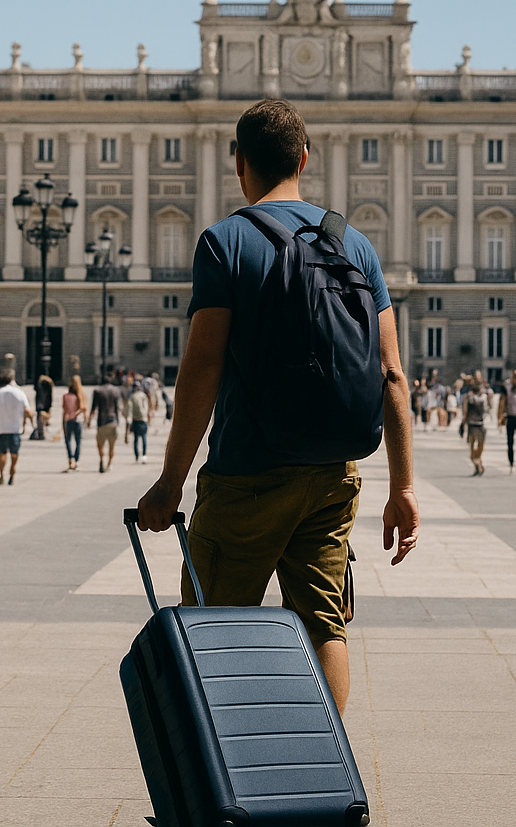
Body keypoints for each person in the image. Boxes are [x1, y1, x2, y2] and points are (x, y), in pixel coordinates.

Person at [135, 98, 419, 717]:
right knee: (323, 624)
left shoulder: (225, 242)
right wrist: (402, 488)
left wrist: (170, 481)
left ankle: (230, 762)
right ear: (305, 159)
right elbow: (393, 375)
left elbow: (202, 368)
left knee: (215, 622)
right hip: (334, 474)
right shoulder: (354, 245)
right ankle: (328, 761)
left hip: (247, 474)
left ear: (239, 162)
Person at [0, 369, 33, 486]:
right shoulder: (19, 392)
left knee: (2, 452)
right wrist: (27, 422)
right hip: (15, 428)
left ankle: (1, 475)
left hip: (1, 428)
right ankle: (12, 471)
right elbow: (28, 411)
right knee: (14, 453)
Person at [89, 376, 121, 473]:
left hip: (101, 422)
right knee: (112, 445)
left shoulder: (97, 391)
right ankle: (110, 463)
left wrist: (89, 420)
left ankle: (102, 458)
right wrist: (118, 421)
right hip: (113, 420)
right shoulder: (115, 391)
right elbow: (117, 407)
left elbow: (94, 407)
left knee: (100, 444)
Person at [61, 376, 86, 470]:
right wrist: (75, 414)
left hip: (68, 420)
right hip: (77, 420)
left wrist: (63, 421)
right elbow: (83, 408)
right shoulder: (79, 395)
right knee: (78, 441)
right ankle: (76, 460)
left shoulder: (65, 396)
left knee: (68, 440)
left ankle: (70, 459)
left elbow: (64, 410)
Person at [33, 373, 54, 441]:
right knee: (43, 420)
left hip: (40, 404)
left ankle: (41, 433)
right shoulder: (49, 386)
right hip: (46, 405)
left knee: (39, 419)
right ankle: (41, 433)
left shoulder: (40, 386)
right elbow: (50, 397)